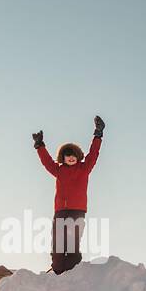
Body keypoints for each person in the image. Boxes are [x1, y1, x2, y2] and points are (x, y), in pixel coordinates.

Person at [32, 115, 105, 274]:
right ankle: (58, 270)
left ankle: (72, 273)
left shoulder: (84, 169)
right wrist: (39, 146)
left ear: (78, 156)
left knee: (72, 243)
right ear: (63, 158)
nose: (71, 158)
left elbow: (94, 153)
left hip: (77, 211)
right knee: (58, 243)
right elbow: (47, 162)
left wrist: (98, 134)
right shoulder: (59, 170)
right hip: (60, 211)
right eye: (67, 155)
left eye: (73, 155)